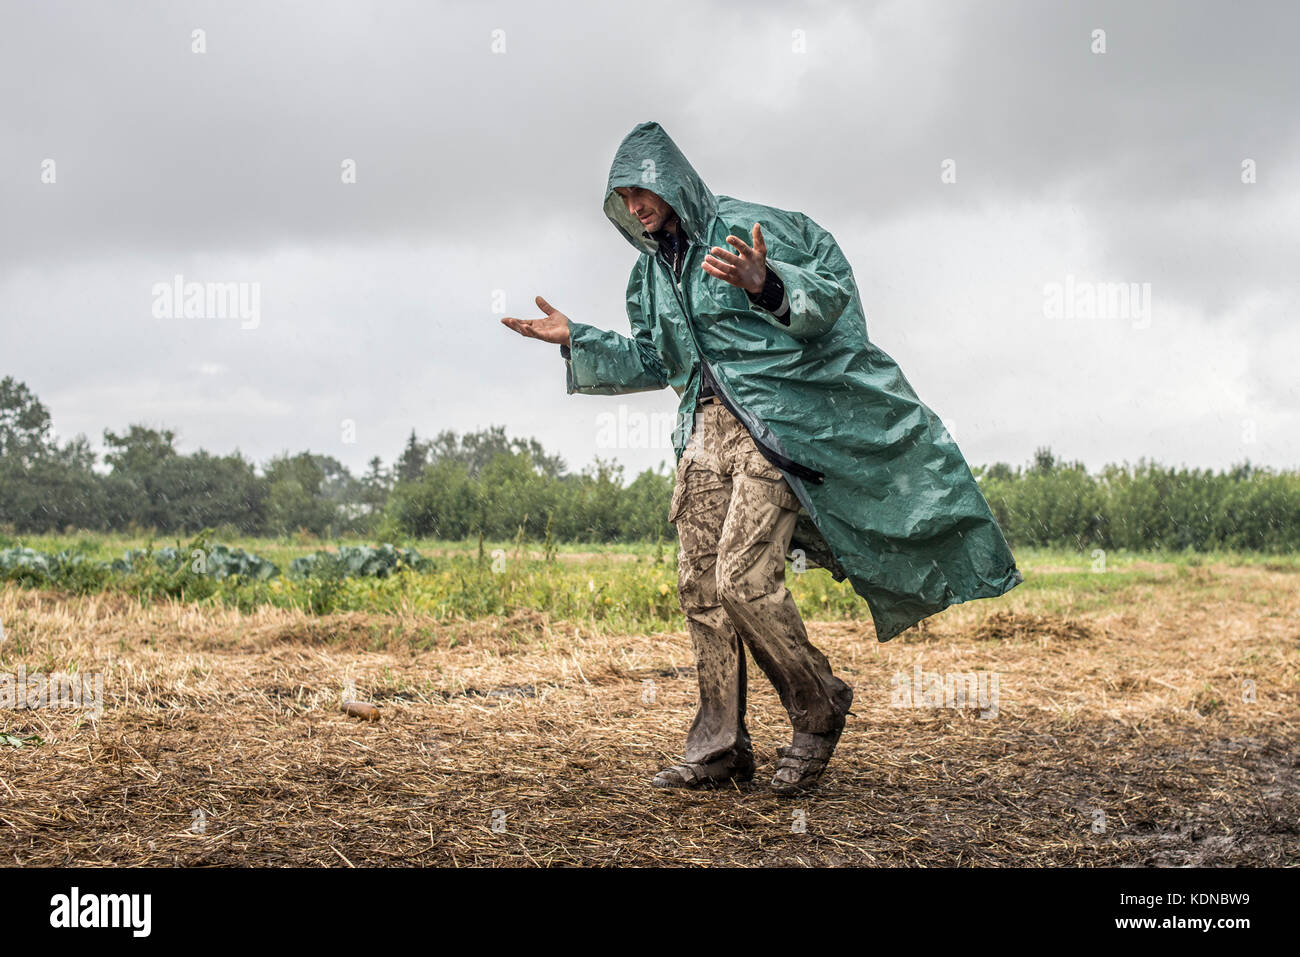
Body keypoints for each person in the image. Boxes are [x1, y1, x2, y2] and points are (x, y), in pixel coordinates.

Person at [501, 121, 1022, 794]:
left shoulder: (752, 227)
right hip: (702, 429)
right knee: (701, 587)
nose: (634, 207)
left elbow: (828, 292)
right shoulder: (650, 275)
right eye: (622, 198)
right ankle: (719, 746)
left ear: (672, 179)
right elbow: (657, 359)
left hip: (773, 424)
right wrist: (579, 340)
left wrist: (765, 282)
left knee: (742, 574)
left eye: (642, 190)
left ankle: (818, 703)